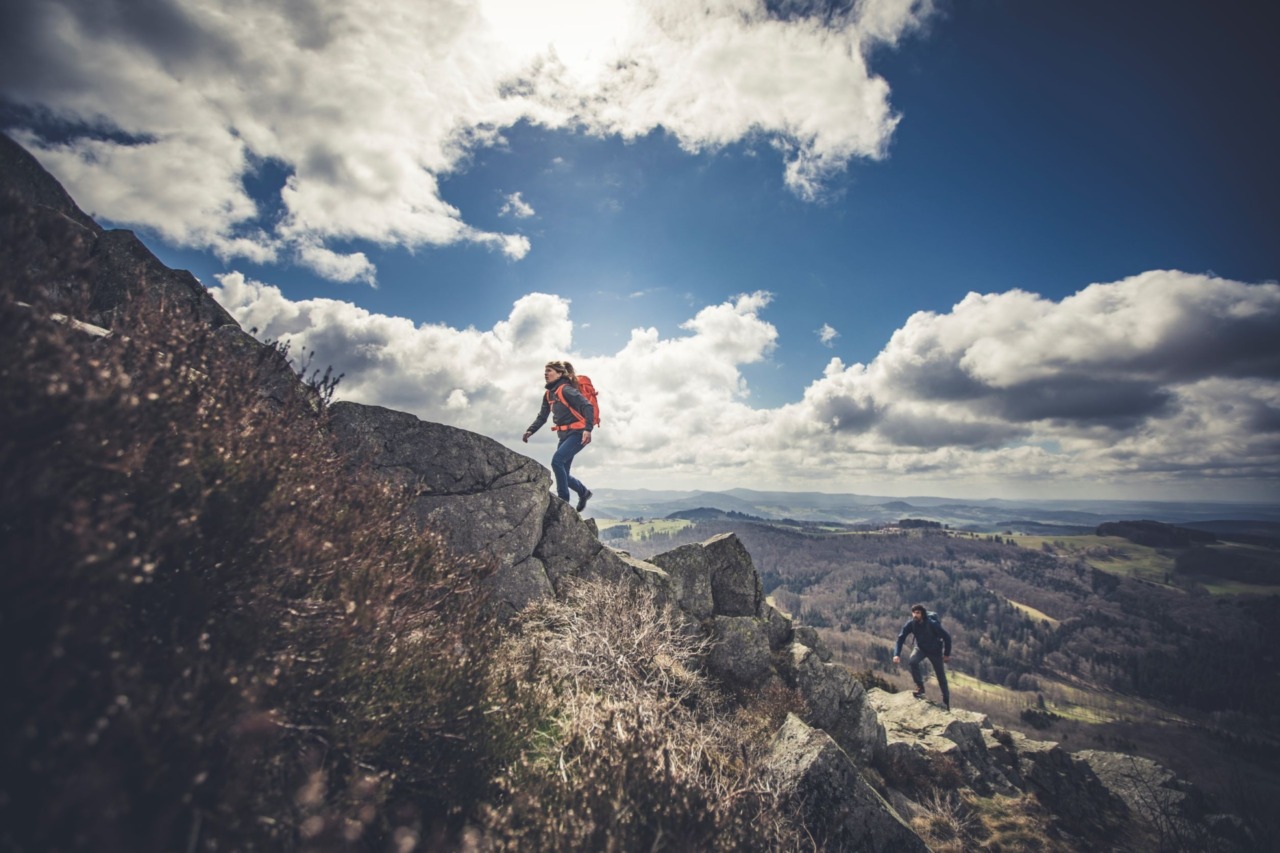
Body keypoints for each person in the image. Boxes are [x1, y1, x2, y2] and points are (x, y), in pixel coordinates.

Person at [522, 360, 594, 511]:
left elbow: (587, 406)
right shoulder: (549, 394)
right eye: (545, 371)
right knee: (563, 474)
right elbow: (543, 416)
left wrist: (588, 429)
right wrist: (531, 430)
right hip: (564, 435)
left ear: (560, 374)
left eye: (549, 371)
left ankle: (563, 502)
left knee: (557, 462)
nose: (546, 374)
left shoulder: (566, 390)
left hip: (578, 434)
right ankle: (584, 492)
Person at [893, 604, 953, 711]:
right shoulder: (911, 624)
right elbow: (900, 638)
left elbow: (947, 637)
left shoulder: (932, 624)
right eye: (914, 612)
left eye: (918, 613)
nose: (915, 615)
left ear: (922, 614)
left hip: (935, 651)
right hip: (921, 648)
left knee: (941, 677)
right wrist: (896, 654)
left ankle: (946, 701)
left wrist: (946, 654)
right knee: (912, 661)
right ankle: (920, 688)